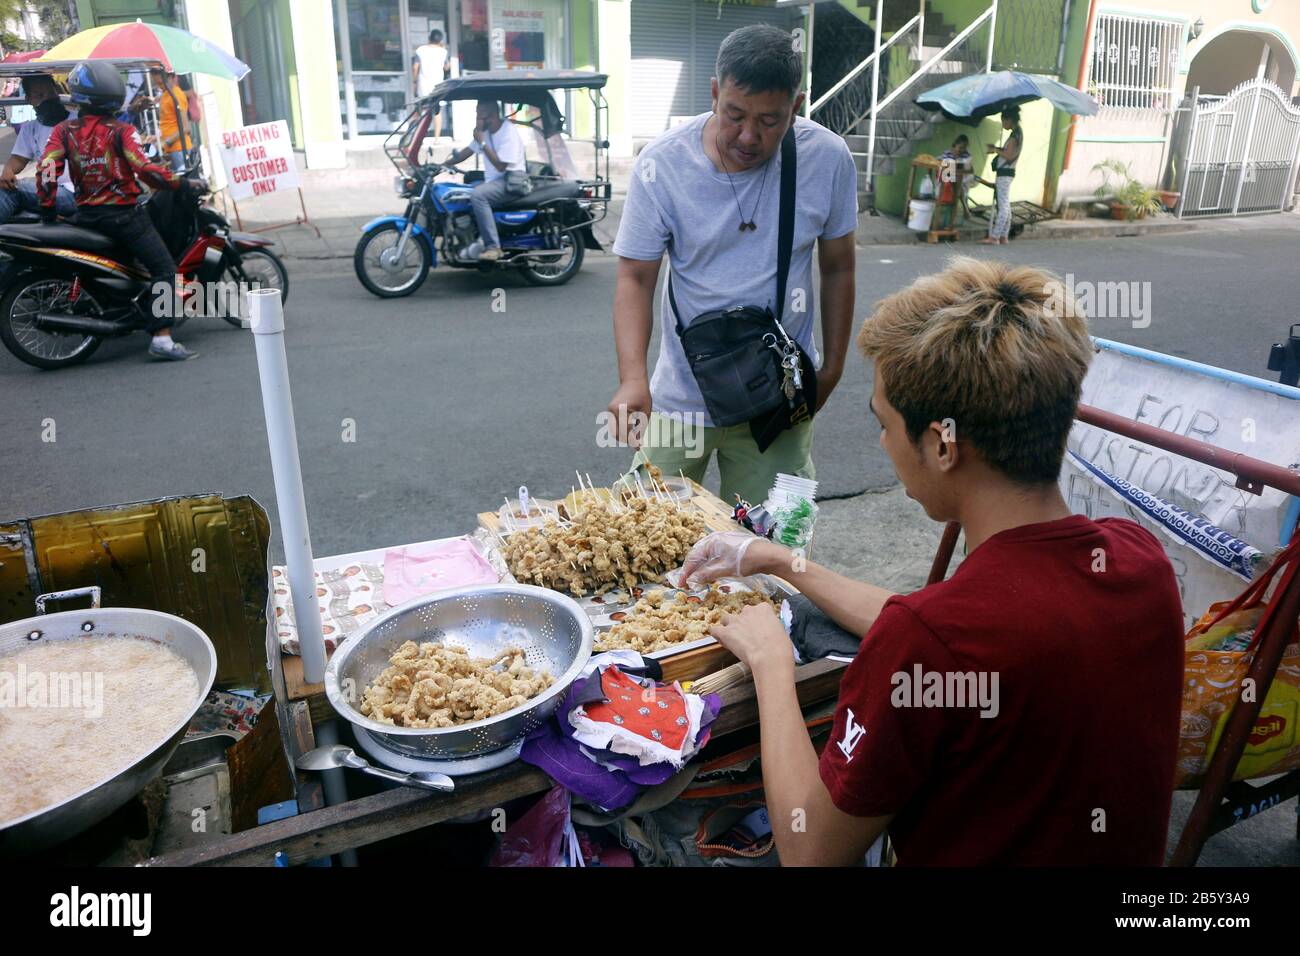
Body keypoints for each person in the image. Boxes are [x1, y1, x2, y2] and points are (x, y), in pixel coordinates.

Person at [681, 257, 1185, 866]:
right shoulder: (1140, 562)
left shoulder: (931, 640)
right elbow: (933, 628)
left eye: (886, 424)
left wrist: (769, 664)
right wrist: (783, 562)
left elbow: (809, 851)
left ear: (943, 444)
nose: (883, 444)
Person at [607, 24, 857, 507]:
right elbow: (635, 278)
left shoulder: (827, 159)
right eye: (735, 114)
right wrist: (633, 377)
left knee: (774, 548)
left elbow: (840, 267)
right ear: (715, 92)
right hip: (680, 399)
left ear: (797, 106)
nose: (748, 136)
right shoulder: (662, 164)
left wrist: (833, 368)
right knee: (646, 541)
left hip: (778, 401)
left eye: (770, 121)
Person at [38, 59, 198, 361]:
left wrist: (47, 208)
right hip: (125, 217)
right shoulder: (121, 131)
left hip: (86, 216)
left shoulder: (63, 131)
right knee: (164, 268)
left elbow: (47, 170)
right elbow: (145, 169)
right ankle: (162, 338)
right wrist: (181, 184)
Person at [444, 99, 530, 262]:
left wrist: (482, 142)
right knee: (462, 193)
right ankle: (474, 236)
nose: (477, 120)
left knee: (478, 195)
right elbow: (468, 152)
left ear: (491, 116)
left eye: (479, 115)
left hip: (511, 182)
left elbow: (500, 166)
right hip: (495, 181)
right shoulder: (487, 132)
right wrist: (443, 165)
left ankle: (493, 247)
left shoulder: (507, 132)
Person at [0, 74, 77, 223]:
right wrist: (7, 171)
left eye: (50, 93)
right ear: (29, 100)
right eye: (40, 95)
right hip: (50, 190)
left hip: (72, 193)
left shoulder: (78, 121)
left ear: (57, 91)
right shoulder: (30, 128)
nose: (47, 99)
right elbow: (18, 158)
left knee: (9, 192)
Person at [979, 106, 1021, 245]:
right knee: (1006, 205)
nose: (1003, 125)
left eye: (1003, 121)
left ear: (1008, 120)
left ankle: (995, 236)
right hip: (1007, 172)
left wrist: (995, 149)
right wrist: (998, 149)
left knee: (1002, 206)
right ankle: (1004, 236)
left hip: (1005, 173)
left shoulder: (1015, 136)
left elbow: (1008, 156)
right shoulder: (1017, 133)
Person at [412, 28, 450, 137]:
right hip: (438, 87)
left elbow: (415, 67)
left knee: (420, 111)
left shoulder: (420, 50)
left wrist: (414, 82)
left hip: (423, 86)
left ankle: (417, 136)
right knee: (437, 112)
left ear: (429, 38)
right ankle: (436, 138)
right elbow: (447, 67)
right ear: (440, 40)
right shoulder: (443, 52)